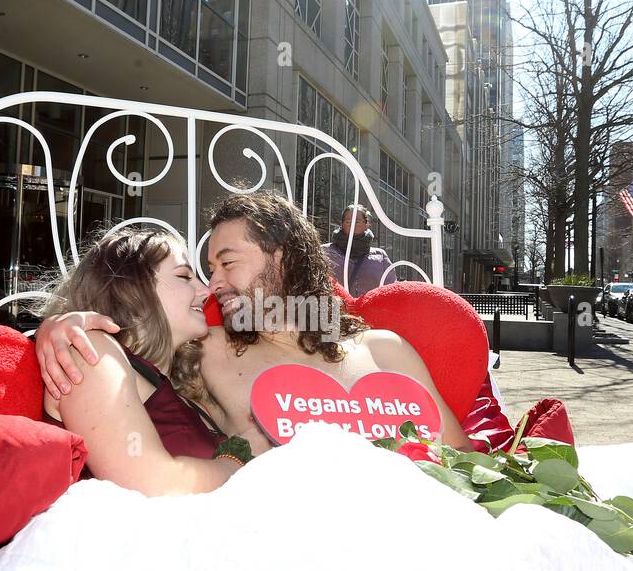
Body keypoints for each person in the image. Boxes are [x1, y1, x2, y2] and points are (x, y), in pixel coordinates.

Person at [38, 192, 472, 456]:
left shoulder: (385, 349)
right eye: (206, 269)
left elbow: (461, 458)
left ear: (281, 257)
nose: (214, 284)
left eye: (227, 263)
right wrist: (62, 325)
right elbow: (124, 344)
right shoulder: (203, 352)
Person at [36, 228, 244, 497]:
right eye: (183, 276)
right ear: (130, 290)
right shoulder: (90, 350)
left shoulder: (179, 392)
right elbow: (154, 483)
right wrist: (236, 464)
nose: (205, 291)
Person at [322, 204, 393, 297]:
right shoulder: (325, 252)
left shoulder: (380, 256)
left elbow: (391, 289)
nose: (352, 226)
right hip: (336, 309)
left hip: (369, 310)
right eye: (348, 222)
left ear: (366, 225)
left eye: (357, 222)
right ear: (341, 224)